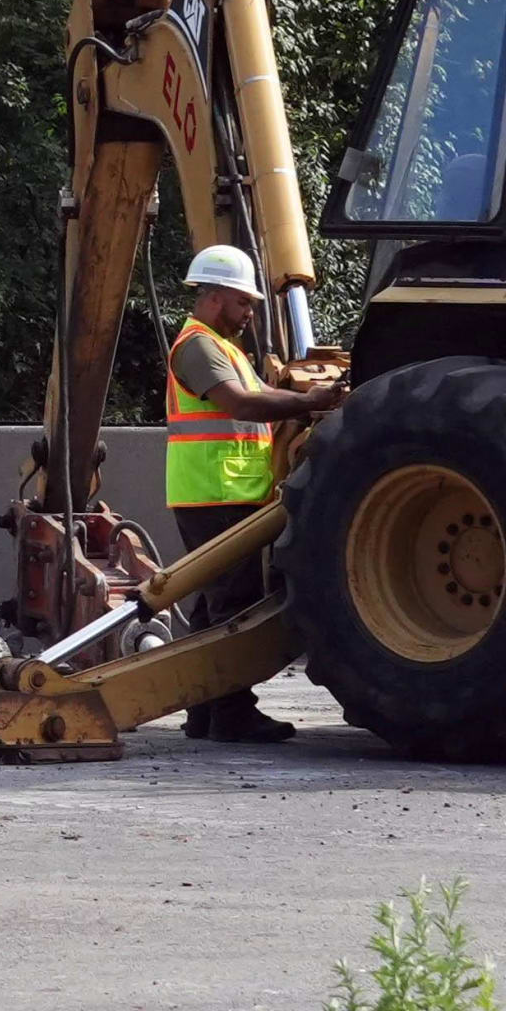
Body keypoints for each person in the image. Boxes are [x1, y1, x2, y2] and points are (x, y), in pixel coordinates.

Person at [160, 242, 346, 746]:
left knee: (212, 606)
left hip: (222, 491)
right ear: (217, 296)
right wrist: (308, 402)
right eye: (244, 303)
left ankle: (203, 712)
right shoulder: (197, 346)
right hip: (215, 494)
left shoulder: (222, 348)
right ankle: (233, 714)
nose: (248, 314)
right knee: (234, 609)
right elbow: (242, 403)